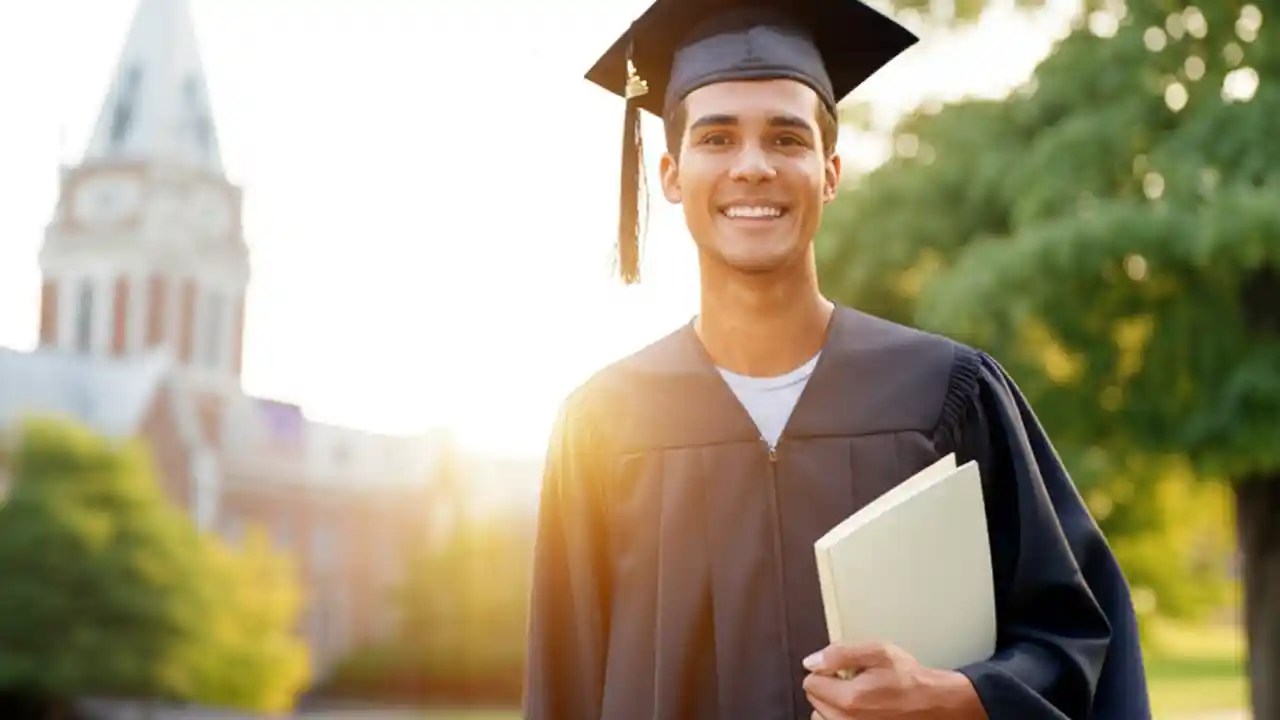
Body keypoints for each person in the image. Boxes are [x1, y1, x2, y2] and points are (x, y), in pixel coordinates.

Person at [523, 0, 1151, 717]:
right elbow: (561, 688)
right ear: (670, 173)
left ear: (829, 171)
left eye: (787, 139)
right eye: (718, 138)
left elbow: (1078, 641)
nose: (753, 167)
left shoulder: (946, 395)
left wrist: (958, 696)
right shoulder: (603, 426)